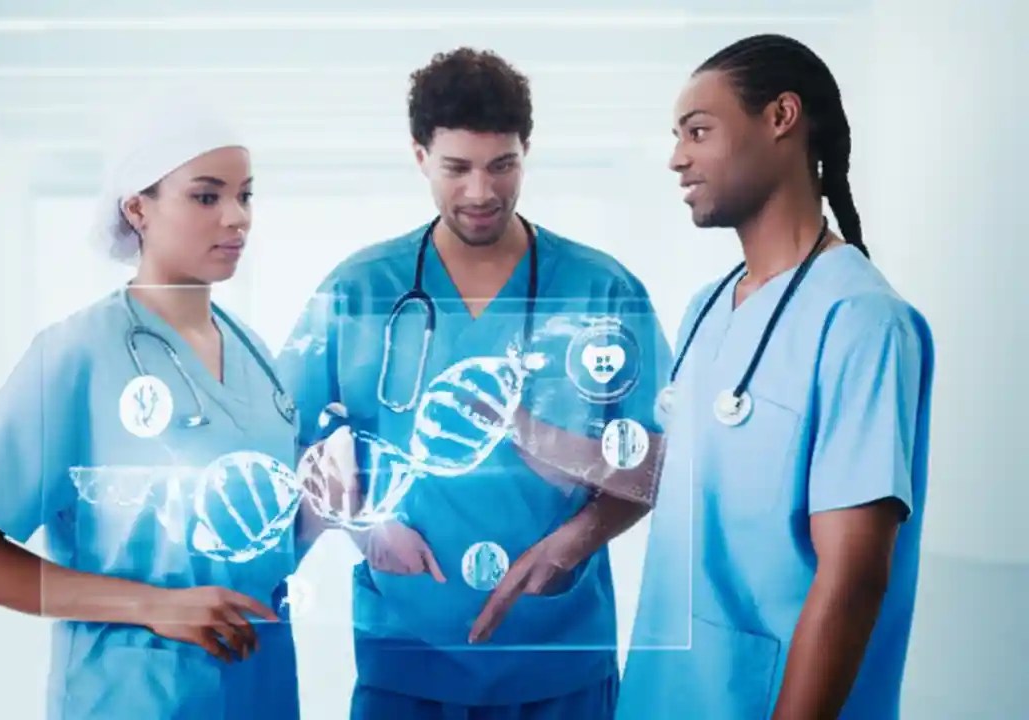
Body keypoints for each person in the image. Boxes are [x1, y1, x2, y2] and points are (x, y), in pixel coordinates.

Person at [277, 48, 672, 719]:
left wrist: (574, 541)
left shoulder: (602, 290)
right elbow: (288, 445)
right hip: (407, 654)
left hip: (557, 652)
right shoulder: (359, 291)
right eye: (457, 168)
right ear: (419, 155)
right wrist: (364, 526)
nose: (482, 192)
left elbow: (657, 467)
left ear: (527, 152)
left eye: (502, 165)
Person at [0, 92, 331, 719]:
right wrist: (152, 604)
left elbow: (249, 547)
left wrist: (321, 511)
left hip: (261, 691)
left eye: (245, 195)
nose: (237, 217)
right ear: (138, 208)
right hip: (134, 697)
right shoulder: (76, 354)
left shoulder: (256, 356)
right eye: (206, 196)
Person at [615, 34, 935, 720]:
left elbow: (853, 580)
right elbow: (678, 478)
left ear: (781, 117)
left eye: (698, 131)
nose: (677, 158)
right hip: (663, 696)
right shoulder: (707, 309)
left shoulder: (861, 321)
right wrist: (528, 435)